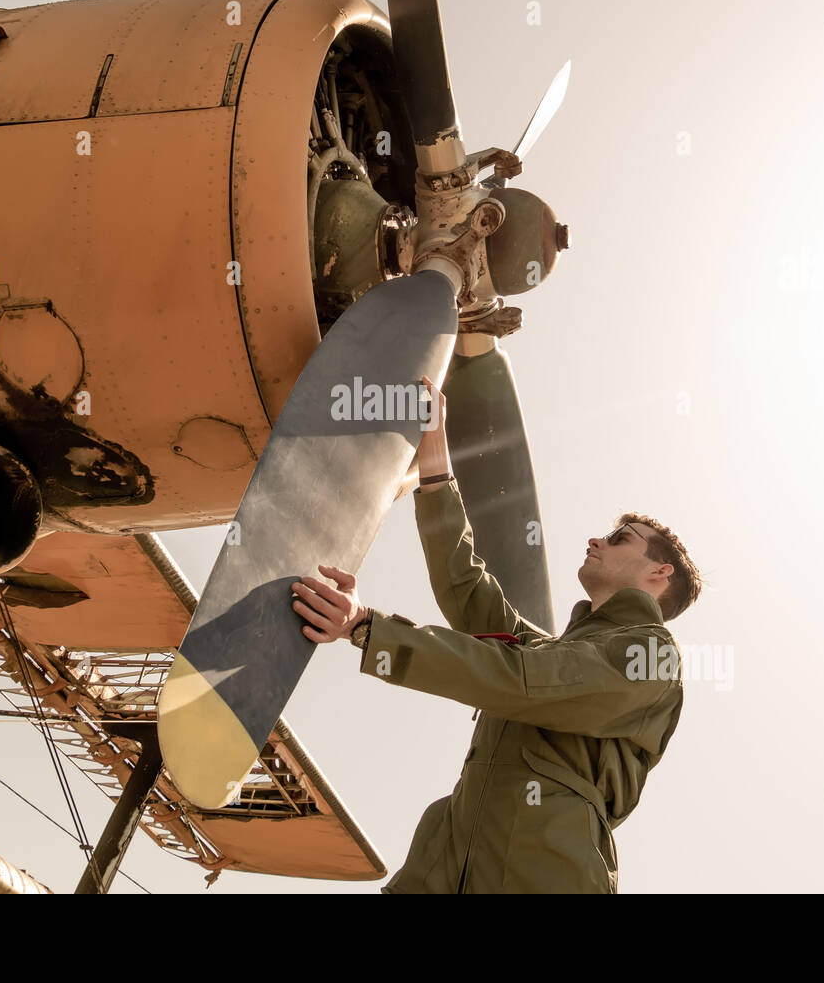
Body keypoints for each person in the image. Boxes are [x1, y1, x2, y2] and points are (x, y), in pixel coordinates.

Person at [291, 376, 702, 893]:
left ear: (658, 575)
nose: (595, 539)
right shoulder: (546, 650)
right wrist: (434, 455)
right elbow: (468, 588)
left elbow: (520, 681)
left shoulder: (652, 656)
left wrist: (365, 627)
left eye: (620, 539)